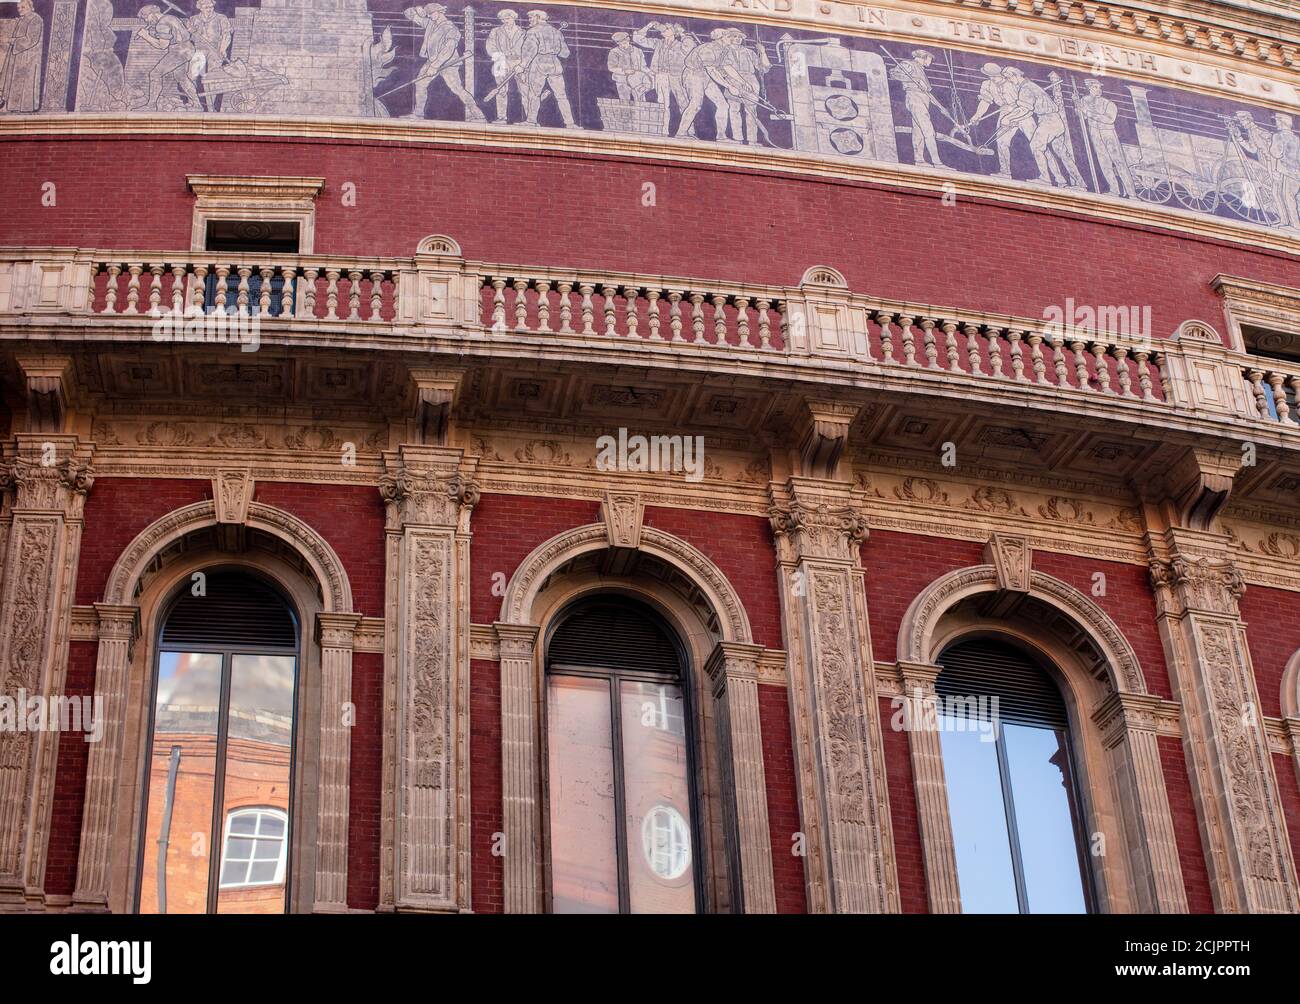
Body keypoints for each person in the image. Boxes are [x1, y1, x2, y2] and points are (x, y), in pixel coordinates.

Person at [1003, 66, 1085, 189]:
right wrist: (1014, 117)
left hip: (1048, 121)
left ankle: (1045, 179)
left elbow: (1026, 109)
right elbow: (1026, 109)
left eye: (1009, 78)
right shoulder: (1030, 86)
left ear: (1015, 75)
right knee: (1063, 153)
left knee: (1036, 147)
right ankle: (1078, 184)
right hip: (1055, 121)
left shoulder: (1026, 88)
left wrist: (1008, 118)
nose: (1009, 81)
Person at [403, 3, 486, 122]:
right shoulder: (430, 23)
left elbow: (449, 49)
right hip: (431, 61)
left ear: (440, 12)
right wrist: (417, 10)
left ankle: (478, 114)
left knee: (457, 88)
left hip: (448, 64)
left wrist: (434, 65)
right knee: (420, 84)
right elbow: (409, 15)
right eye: (428, 14)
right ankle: (418, 113)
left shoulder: (450, 28)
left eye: (431, 13)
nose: (430, 16)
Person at [133, 5, 200, 111]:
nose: (146, 21)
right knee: (181, 77)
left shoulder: (162, 24)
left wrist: (145, 36)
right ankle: (197, 104)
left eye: (146, 18)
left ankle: (150, 106)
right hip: (188, 48)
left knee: (155, 74)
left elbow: (162, 46)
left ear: (153, 14)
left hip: (178, 51)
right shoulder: (171, 17)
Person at [675, 29, 738, 140]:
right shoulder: (707, 49)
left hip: (706, 76)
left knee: (723, 105)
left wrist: (742, 82)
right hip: (693, 75)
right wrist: (729, 86)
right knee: (695, 104)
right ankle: (681, 133)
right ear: (720, 38)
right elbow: (712, 71)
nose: (732, 39)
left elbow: (727, 67)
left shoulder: (724, 49)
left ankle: (721, 136)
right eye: (729, 37)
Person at [1077, 78, 1134, 197]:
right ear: (1088, 89)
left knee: (1119, 162)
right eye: (1095, 87)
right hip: (1094, 133)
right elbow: (1082, 117)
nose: (1098, 90)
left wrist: (1087, 112)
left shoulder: (1108, 103)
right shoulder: (1084, 101)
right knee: (1104, 163)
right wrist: (1078, 107)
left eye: (1099, 87)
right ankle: (1115, 190)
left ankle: (1131, 193)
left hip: (1108, 134)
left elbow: (1109, 119)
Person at [519, 10, 575, 128]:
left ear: (538, 18)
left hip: (539, 63)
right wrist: (553, 47)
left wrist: (522, 66)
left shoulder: (533, 31)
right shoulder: (556, 32)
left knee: (534, 94)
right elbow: (565, 53)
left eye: (531, 18)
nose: (529, 20)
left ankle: (531, 121)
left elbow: (530, 51)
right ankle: (570, 123)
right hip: (555, 64)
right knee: (561, 95)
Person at [889, 49, 944, 167]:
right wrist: (914, 79)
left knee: (918, 131)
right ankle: (937, 162)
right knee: (928, 130)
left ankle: (919, 160)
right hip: (915, 98)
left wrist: (940, 107)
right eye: (929, 59)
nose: (930, 62)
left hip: (923, 100)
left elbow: (927, 92)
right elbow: (894, 73)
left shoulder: (921, 70)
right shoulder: (909, 65)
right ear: (924, 57)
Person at [631, 22, 694, 119]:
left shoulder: (680, 45)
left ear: (674, 31)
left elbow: (691, 46)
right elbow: (637, 39)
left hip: (676, 77)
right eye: (662, 29)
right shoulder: (658, 43)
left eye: (667, 28)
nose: (663, 30)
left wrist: (682, 33)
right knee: (662, 105)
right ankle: (664, 131)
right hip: (661, 76)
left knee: (683, 103)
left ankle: (689, 130)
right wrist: (648, 26)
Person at [723, 28, 769, 146]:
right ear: (729, 38)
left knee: (751, 111)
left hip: (751, 81)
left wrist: (763, 52)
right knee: (734, 109)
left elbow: (764, 68)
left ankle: (752, 140)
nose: (737, 39)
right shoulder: (724, 51)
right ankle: (737, 139)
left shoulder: (749, 52)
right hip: (732, 80)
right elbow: (725, 68)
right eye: (734, 36)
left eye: (739, 37)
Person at [970, 62, 1016, 179]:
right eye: (990, 76)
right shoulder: (987, 84)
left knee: (1035, 143)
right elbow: (985, 101)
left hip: (1023, 111)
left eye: (995, 76)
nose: (993, 79)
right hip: (1005, 113)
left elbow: (1025, 97)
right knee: (1001, 142)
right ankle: (1005, 172)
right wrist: (977, 116)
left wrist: (1014, 106)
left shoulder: (1012, 81)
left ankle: (1048, 177)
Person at [186, 0, 232, 110]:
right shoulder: (193, 19)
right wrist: (191, 31)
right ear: (200, 7)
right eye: (206, 7)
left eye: (211, 6)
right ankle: (193, 103)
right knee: (192, 76)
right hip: (199, 50)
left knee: (212, 78)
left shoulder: (221, 18)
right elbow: (188, 38)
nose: (209, 9)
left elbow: (226, 34)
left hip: (215, 51)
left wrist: (222, 48)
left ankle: (211, 106)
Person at [0, 0, 44, 114]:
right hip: (17, 56)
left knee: (24, 82)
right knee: (14, 81)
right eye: (19, 8)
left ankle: (24, 108)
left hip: (28, 58)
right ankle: (14, 107)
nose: (20, 10)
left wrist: (11, 40)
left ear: (30, 7)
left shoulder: (36, 20)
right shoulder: (23, 19)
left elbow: (31, 40)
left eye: (23, 7)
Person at [485, 9, 524, 123]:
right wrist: (499, 57)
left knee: (524, 89)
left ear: (514, 18)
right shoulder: (495, 31)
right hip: (500, 61)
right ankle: (501, 117)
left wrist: (522, 63)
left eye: (507, 18)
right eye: (503, 19)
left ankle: (530, 119)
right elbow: (490, 46)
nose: (505, 21)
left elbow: (527, 49)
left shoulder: (523, 32)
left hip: (518, 62)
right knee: (500, 90)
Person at [1269, 112, 1300, 228]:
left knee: (1284, 196)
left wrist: (1273, 142)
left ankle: (1293, 224)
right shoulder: (1296, 139)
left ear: (1282, 122)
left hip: (1284, 172)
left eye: (1276, 120)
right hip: (1296, 173)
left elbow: (1275, 153)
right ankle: (1287, 222)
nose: (1275, 123)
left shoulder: (1278, 136)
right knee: (1286, 196)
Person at [607, 32, 651, 102]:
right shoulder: (614, 52)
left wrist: (650, 73)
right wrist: (624, 71)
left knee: (641, 101)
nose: (622, 46)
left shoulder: (638, 51)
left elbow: (643, 66)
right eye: (620, 44)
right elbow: (611, 67)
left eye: (624, 43)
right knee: (624, 101)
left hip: (637, 81)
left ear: (628, 40)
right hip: (622, 81)